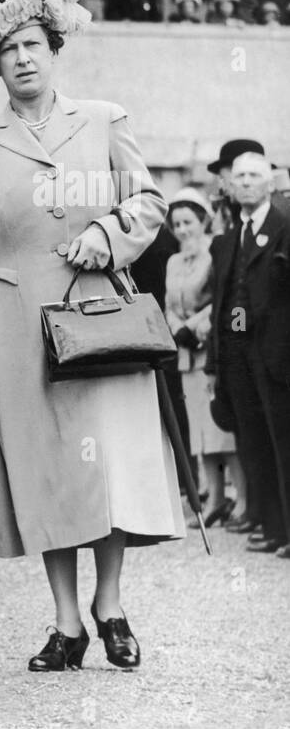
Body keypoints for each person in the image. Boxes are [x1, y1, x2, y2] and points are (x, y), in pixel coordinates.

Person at [0, 0, 182, 674]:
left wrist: (109, 234)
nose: (22, 60)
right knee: (45, 469)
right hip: (15, 321)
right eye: (9, 52)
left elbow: (148, 200)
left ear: (55, 52)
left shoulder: (104, 119)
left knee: (103, 462)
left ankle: (111, 607)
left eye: (33, 47)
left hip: (98, 312)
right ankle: (65, 620)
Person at [206, 151, 290, 558]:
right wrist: (219, 355)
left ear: (270, 183)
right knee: (253, 443)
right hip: (239, 354)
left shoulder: (283, 226)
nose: (245, 182)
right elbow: (228, 298)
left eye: (254, 175)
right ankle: (273, 527)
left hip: (276, 354)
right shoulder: (231, 236)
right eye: (239, 176)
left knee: (283, 443)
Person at [163, 188, 241, 529]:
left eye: (188, 222)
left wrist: (194, 326)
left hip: (210, 350)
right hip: (186, 356)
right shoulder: (173, 260)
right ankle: (214, 499)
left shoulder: (216, 252)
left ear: (203, 220)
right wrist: (176, 326)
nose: (182, 230)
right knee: (198, 431)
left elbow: (223, 300)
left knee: (220, 428)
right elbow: (168, 304)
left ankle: (241, 498)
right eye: (176, 224)